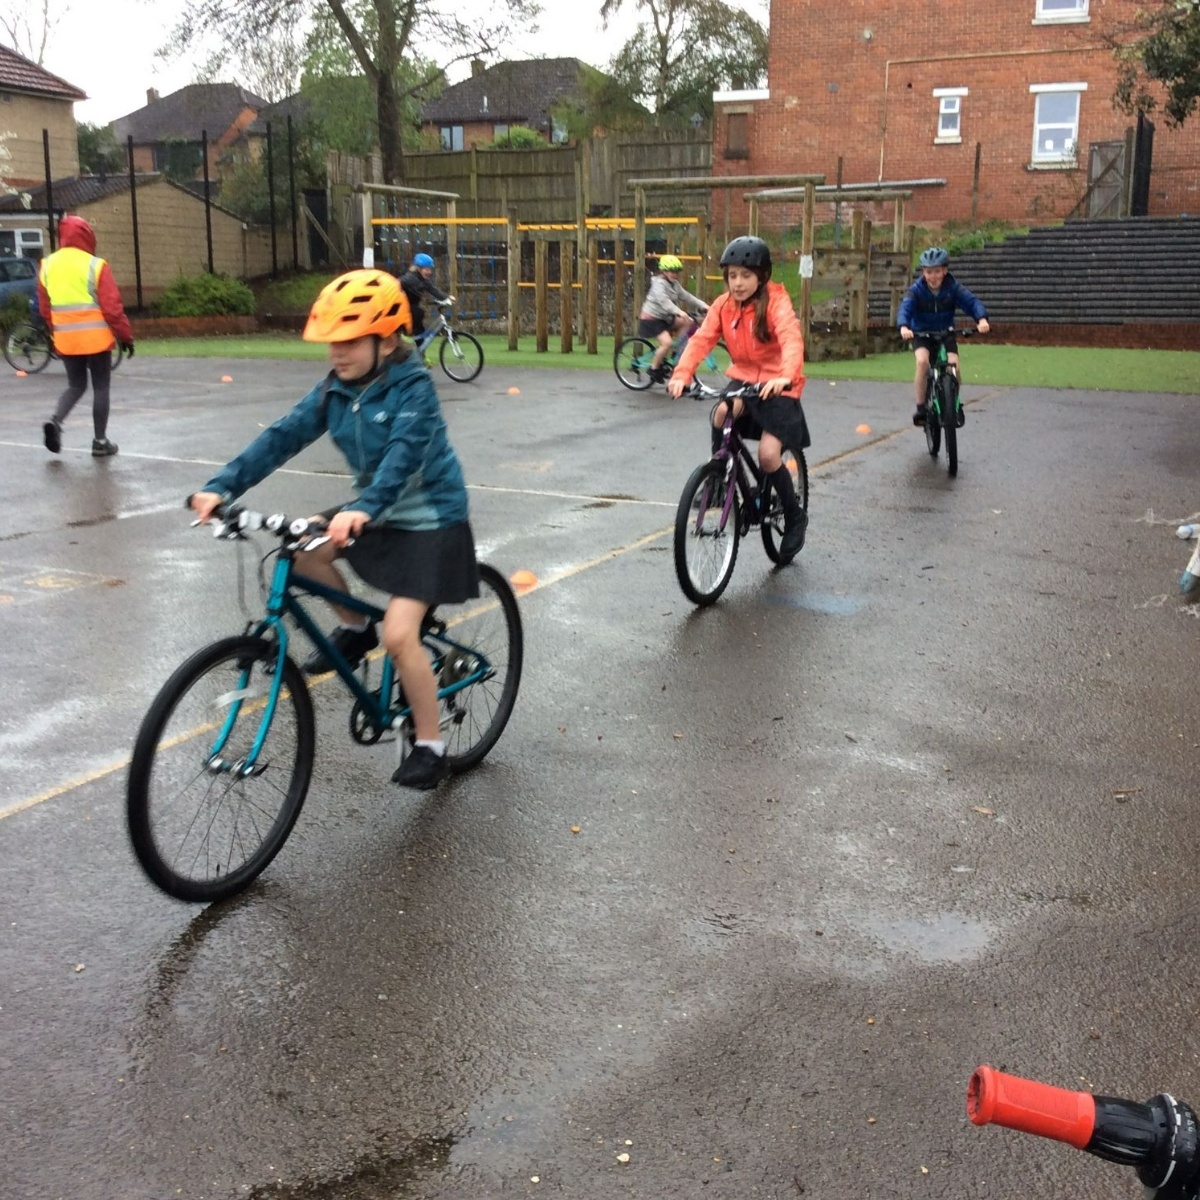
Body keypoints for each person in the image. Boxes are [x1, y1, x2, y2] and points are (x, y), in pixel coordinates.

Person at [189, 269, 479, 791]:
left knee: (398, 635)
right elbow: (282, 436)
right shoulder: (336, 389)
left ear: (387, 338)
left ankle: (431, 745)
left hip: (431, 519)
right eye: (330, 344)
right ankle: (353, 626)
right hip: (372, 511)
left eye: (348, 342)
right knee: (301, 550)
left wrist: (362, 508)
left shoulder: (414, 387)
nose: (336, 354)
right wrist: (222, 488)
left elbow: (403, 457)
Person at [667, 235, 809, 563]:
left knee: (769, 455)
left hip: (779, 383)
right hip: (744, 378)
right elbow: (702, 340)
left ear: (762, 276)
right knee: (720, 414)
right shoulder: (722, 305)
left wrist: (785, 375)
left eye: (745, 275)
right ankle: (720, 477)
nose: (738, 283)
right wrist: (681, 375)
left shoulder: (776, 302)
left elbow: (790, 339)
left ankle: (794, 515)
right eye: (732, 275)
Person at [38, 214, 134, 457]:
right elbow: (112, 308)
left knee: (75, 385)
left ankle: (56, 421)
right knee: (101, 387)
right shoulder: (96, 265)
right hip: (96, 339)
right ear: (88, 236)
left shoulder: (47, 265)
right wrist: (125, 336)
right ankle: (100, 441)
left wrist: (55, 331)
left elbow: (45, 308)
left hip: (66, 339)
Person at [897, 246, 990, 428]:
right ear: (923, 272)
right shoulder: (916, 291)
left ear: (945, 271)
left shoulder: (952, 288)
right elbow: (905, 309)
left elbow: (971, 302)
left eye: (937, 271)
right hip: (922, 333)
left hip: (946, 333)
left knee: (953, 365)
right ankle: (921, 407)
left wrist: (981, 319)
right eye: (929, 272)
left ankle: (953, 404)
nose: (933, 277)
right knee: (922, 362)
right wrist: (904, 326)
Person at [638, 253, 709, 383]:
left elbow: (687, 297)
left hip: (665, 318)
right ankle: (653, 369)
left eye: (676, 272)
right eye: (671, 271)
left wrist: (706, 307)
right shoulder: (658, 284)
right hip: (651, 319)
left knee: (689, 322)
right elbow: (664, 302)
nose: (674, 274)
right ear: (664, 271)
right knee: (667, 343)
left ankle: (678, 351)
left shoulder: (674, 284)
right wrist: (679, 312)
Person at [399, 252, 453, 342]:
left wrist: (447, 297)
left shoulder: (423, 280)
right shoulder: (410, 278)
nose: (429, 272)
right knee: (418, 313)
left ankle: (420, 353)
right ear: (418, 269)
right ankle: (405, 335)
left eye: (430, 269)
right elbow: (395, 284)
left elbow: (433, 290)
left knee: (420, 330)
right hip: (403, 307)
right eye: (426, 269)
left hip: (411, 307)